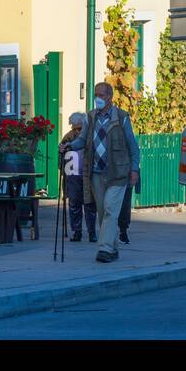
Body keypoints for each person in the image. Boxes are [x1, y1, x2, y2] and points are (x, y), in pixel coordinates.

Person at [68, 82, 140, 263]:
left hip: (118, 173)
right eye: (96, 95)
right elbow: (82, 140)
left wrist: (134, 169)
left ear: (110, 97)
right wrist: (69, 146)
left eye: (101, 95)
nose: (97, 98)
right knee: (103, 212)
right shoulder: (90, 118)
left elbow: (133, 146)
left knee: (109, 208)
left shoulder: (122, 118)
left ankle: (105, 249)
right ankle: (113, 248)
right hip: (97, 173)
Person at [59, 112, 96, 243]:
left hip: (88, 175)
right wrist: (61, 153)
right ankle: (76, 231)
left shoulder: (91, 137)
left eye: (79, 128)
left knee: (89, 204)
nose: (77, 131)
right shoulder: (68, 137)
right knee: (74, 204)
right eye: (74, 128)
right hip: (72, 174)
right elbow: (61, 158)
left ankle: (92, 232)